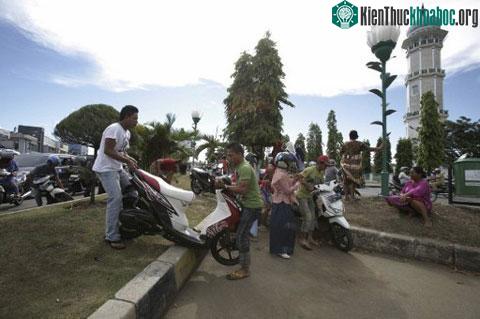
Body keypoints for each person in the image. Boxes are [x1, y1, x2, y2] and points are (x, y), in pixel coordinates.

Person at [93, 105, 139, 250]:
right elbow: (108, 150)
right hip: (106, 169)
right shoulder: (114, 128)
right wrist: (127, 161)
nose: (136, 121)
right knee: (116, 198)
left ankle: (125, 225)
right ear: (126, 116)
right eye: (134, 118)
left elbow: (121, 152)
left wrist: (130, 159)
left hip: (117, 168)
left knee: (133, 192)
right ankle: (111, 236)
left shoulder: (127, 133)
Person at [219, 143, 263, 280]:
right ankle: (241, 258)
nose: (229, 158)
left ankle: (245, 269)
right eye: (228, 155)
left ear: (239, 154)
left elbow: (242, 189)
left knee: (242, 236)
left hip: (252, 206)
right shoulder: (239, 167)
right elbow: (238, 186)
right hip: (247, 204)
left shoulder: (244, 168)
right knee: (240, 234)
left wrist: (225, 186)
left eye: (231, 155)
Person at [269, 152, 300, 259]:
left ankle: (279, 249)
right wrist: (296, 185)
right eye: (288, 161)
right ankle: (280, 250)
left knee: (281, 227)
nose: (290, 163)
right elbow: (287, 190)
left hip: (281, 203)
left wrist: (294, 179)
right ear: (283, 162)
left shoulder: (280, 172)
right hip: (282, 203)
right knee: (284, 228)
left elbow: (287, 183)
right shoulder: (281, 175)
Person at [296, 155, 328, 250]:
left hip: (310, 196)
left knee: (313, 217)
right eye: (325, 165)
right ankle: (302, 239)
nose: (326, 167)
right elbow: (299, 176)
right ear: (320, 163)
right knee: (308, 216)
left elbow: (321, 184)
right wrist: (307, 185)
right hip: (302, 196)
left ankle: (310, 238)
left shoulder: (321, 172)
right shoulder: (310, 169)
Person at [340, 130, 382, 201]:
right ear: (356, 136)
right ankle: (352, 197)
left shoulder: (345, 144)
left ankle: (346, 197)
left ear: (350, 136)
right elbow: (369, 149)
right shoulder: (359, 144)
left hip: (345, 164)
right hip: (355, 166)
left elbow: (341, 152)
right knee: (353, 181)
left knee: (345, 181)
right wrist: (379, 148)